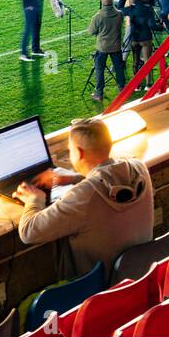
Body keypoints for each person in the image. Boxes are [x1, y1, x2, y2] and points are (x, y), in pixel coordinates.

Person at [14, 117, 154, 279]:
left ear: (79, 153)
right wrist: (75, 178)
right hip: (139, 279)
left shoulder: (84, 196)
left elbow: (29, 232)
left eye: (70, 150)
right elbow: (106, 183)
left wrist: (34, 200)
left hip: (98, 292)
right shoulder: (139, 168)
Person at [120, 0, 159, 91]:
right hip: (146, 38)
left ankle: (137, 85)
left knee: (135, 61)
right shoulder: (147, 9)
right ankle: (148, 84)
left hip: (134, 38)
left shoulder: (131, 9)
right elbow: (152, 25)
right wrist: (160, 27)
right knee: (147, 61)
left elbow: (120, 7)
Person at [88, 0, 126, 102]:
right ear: (112, 2)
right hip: (116, 46)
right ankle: (122, 89)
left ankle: (99, 93)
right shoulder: (119, 14)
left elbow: (91, 31)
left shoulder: (98, 16)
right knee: (118, 68)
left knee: (99, 70)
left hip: (102, 47)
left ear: (102, 3)